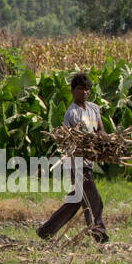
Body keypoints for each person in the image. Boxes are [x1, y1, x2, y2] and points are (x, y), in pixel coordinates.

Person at [37, 72, 109, 243]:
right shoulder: (71, 114)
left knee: (76, 200)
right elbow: (70, 140)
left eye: (87, 89)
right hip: (77, 163)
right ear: (72, 91)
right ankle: (99, 234)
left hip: (88, 161)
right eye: (80, 89)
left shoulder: (94, 109)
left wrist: (103, 138)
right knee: (94, 199)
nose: (84, 92)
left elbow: (100, 129)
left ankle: (46, 231)